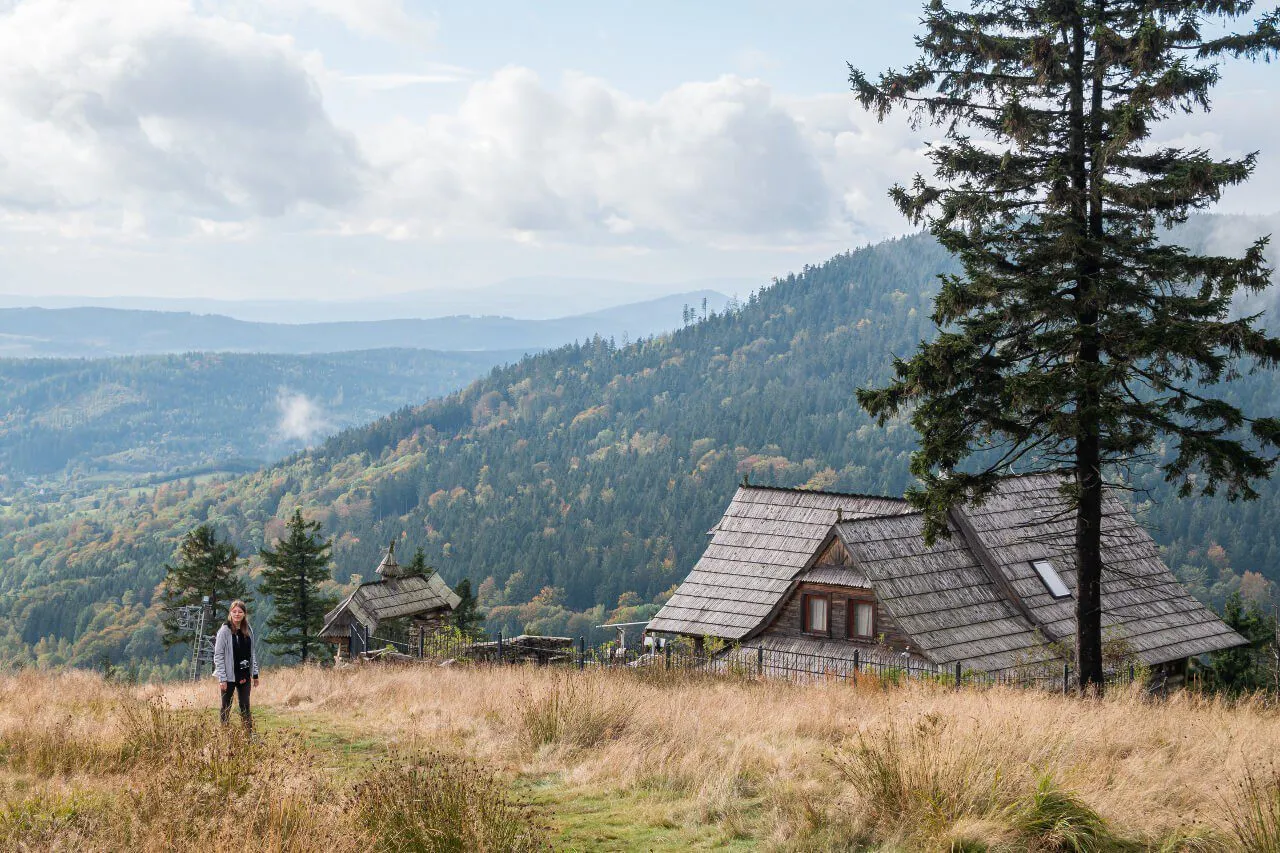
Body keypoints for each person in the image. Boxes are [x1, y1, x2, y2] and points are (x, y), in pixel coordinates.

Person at [213, 599, 259, 727]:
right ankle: (225, 733)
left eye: (240, 612)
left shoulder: (248, 629)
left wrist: (255, 674)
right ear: (230, 613)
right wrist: (222, 678)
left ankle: (248, 734)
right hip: (228, 677)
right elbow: (218, 655)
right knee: (226, 706)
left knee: (245, 706)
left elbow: (252, 653)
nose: (237, 614)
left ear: (244, 614)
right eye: (234, 611)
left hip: (244, 675)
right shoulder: (224, 630)